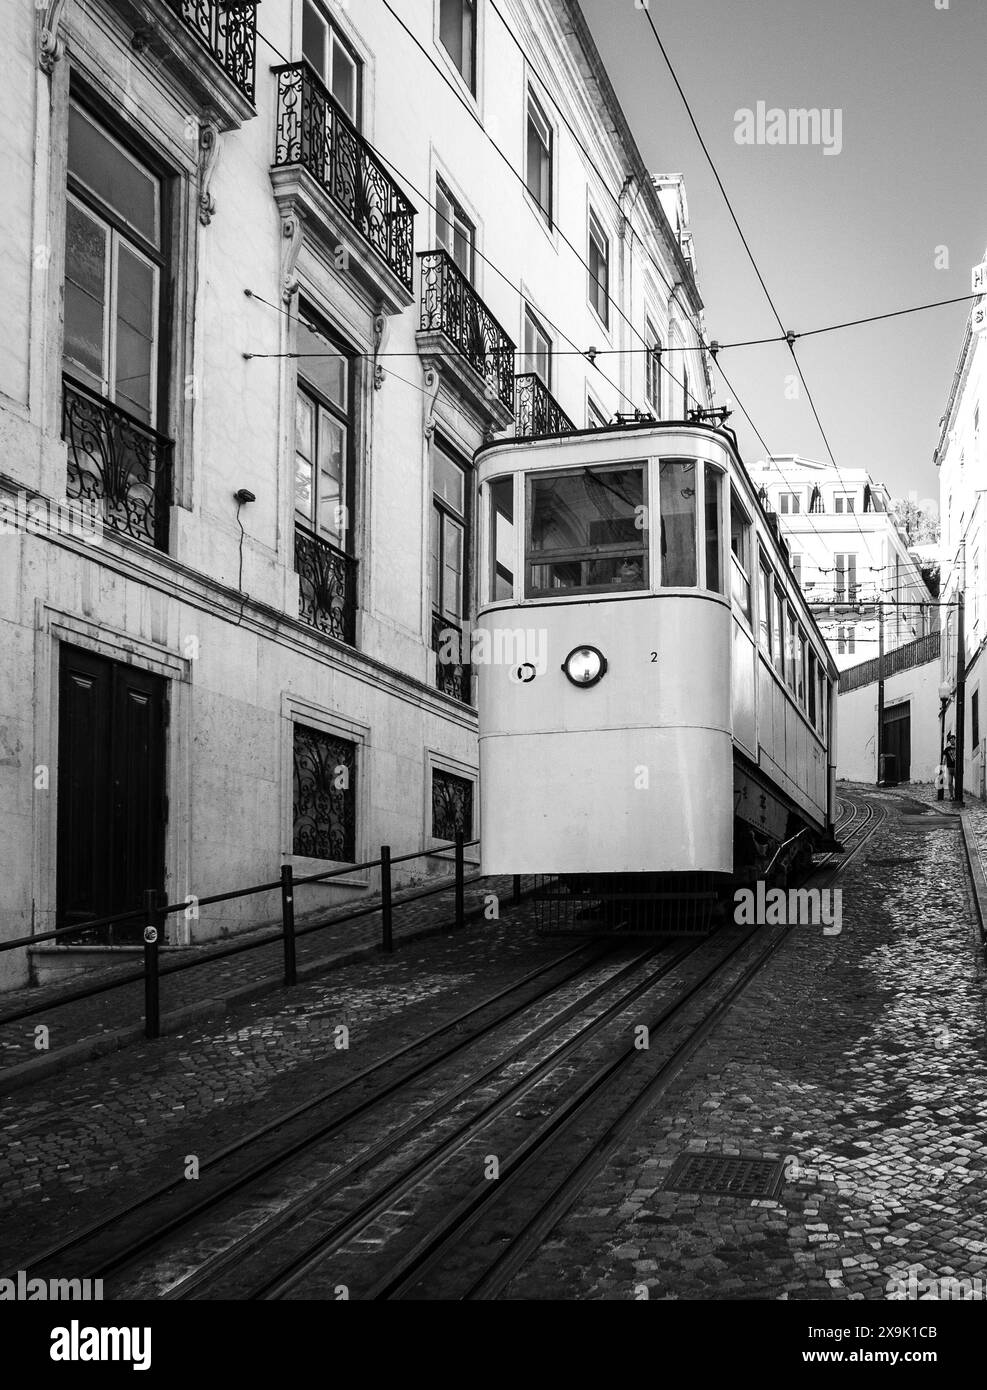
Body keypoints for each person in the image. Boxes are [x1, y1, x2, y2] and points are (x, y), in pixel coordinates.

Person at [942, 732, 956, 799]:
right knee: (950, 783)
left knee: (957, 783)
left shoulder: (958, 748)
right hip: (950, 768)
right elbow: (944, 758)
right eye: (951, 740)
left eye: (953, 739)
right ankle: (951, 795)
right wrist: (943, 765)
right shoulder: (947, 749)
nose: (952, 741)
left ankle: (956, 795)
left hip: (956, 767)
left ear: (955, 740)